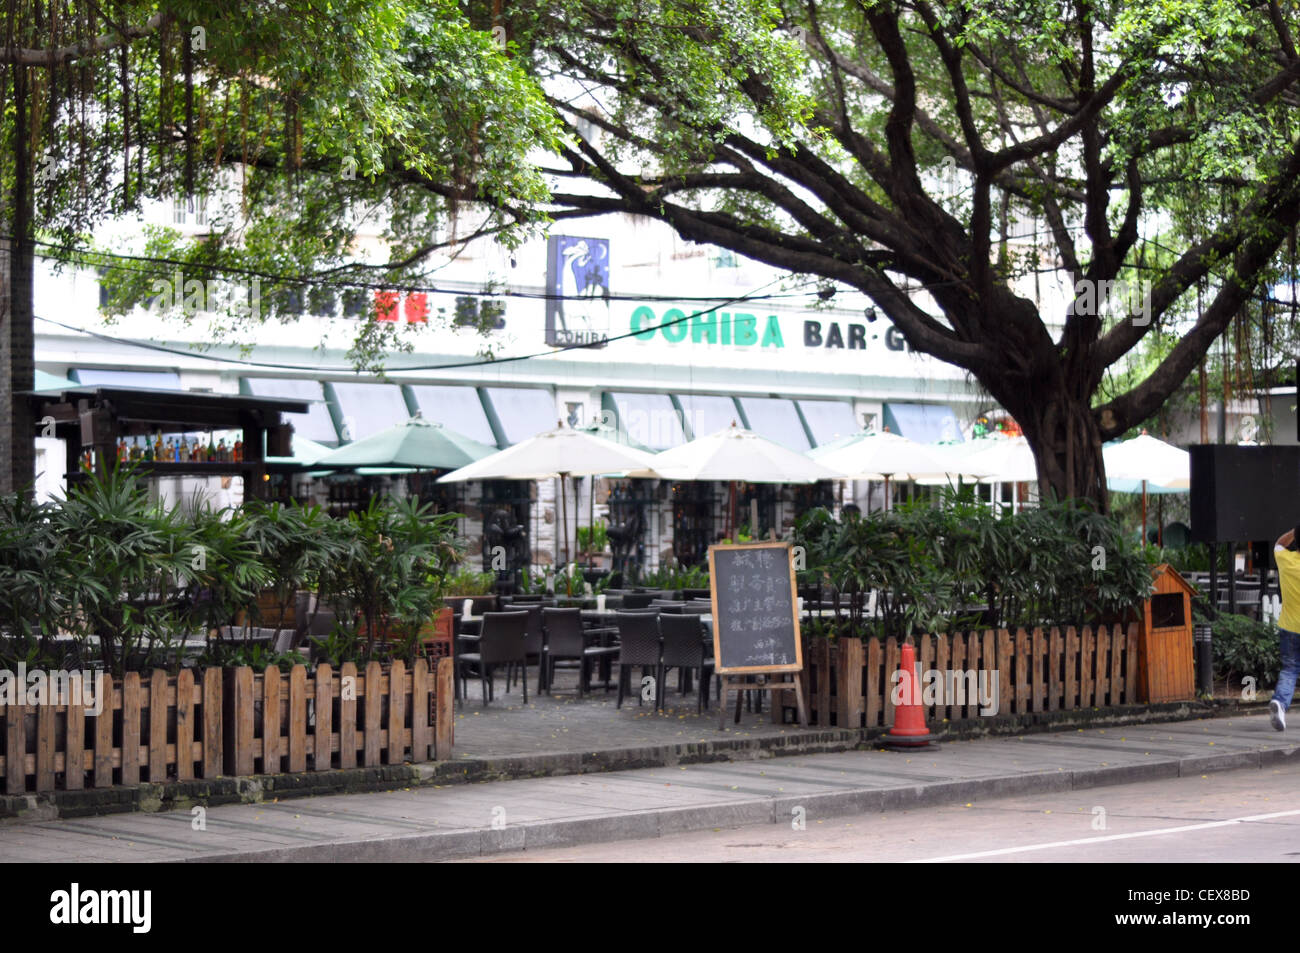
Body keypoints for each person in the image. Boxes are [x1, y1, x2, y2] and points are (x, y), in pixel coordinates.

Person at [1269, 524, 1300, 730]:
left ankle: (1280, 703)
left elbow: (1280, 544)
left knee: (1290, 669)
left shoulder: (1286, 560)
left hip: (1289, 627)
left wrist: (1295, 531)